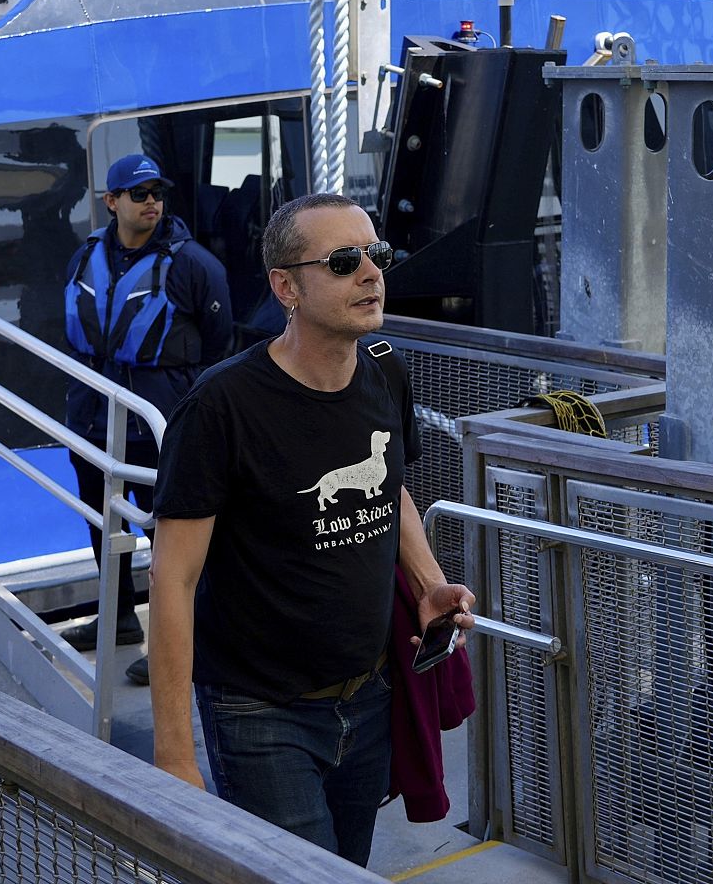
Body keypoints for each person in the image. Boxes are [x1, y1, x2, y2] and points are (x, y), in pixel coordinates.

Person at [148, 192, 474, 867]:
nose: (371, 274)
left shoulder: (386, 370)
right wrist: (174, 754)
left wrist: (430, 583)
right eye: (344, 261)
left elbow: (393, 490)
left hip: (369, 691)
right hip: (261, 713)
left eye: (376, 256)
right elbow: (172, 578)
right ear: (285, 287)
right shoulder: (220, 407)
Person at [61, 153, 231, 685]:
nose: (152, 201)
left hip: (160, 421)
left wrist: (190, 409)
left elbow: (219, 345)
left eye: (158, 191)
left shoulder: (193, 266)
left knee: (171, 537)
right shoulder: (85, 256)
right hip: (94, 417)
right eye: (139, 193)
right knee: (100, 520)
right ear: (112, 202)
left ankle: (179, 641)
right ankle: (118, 620)